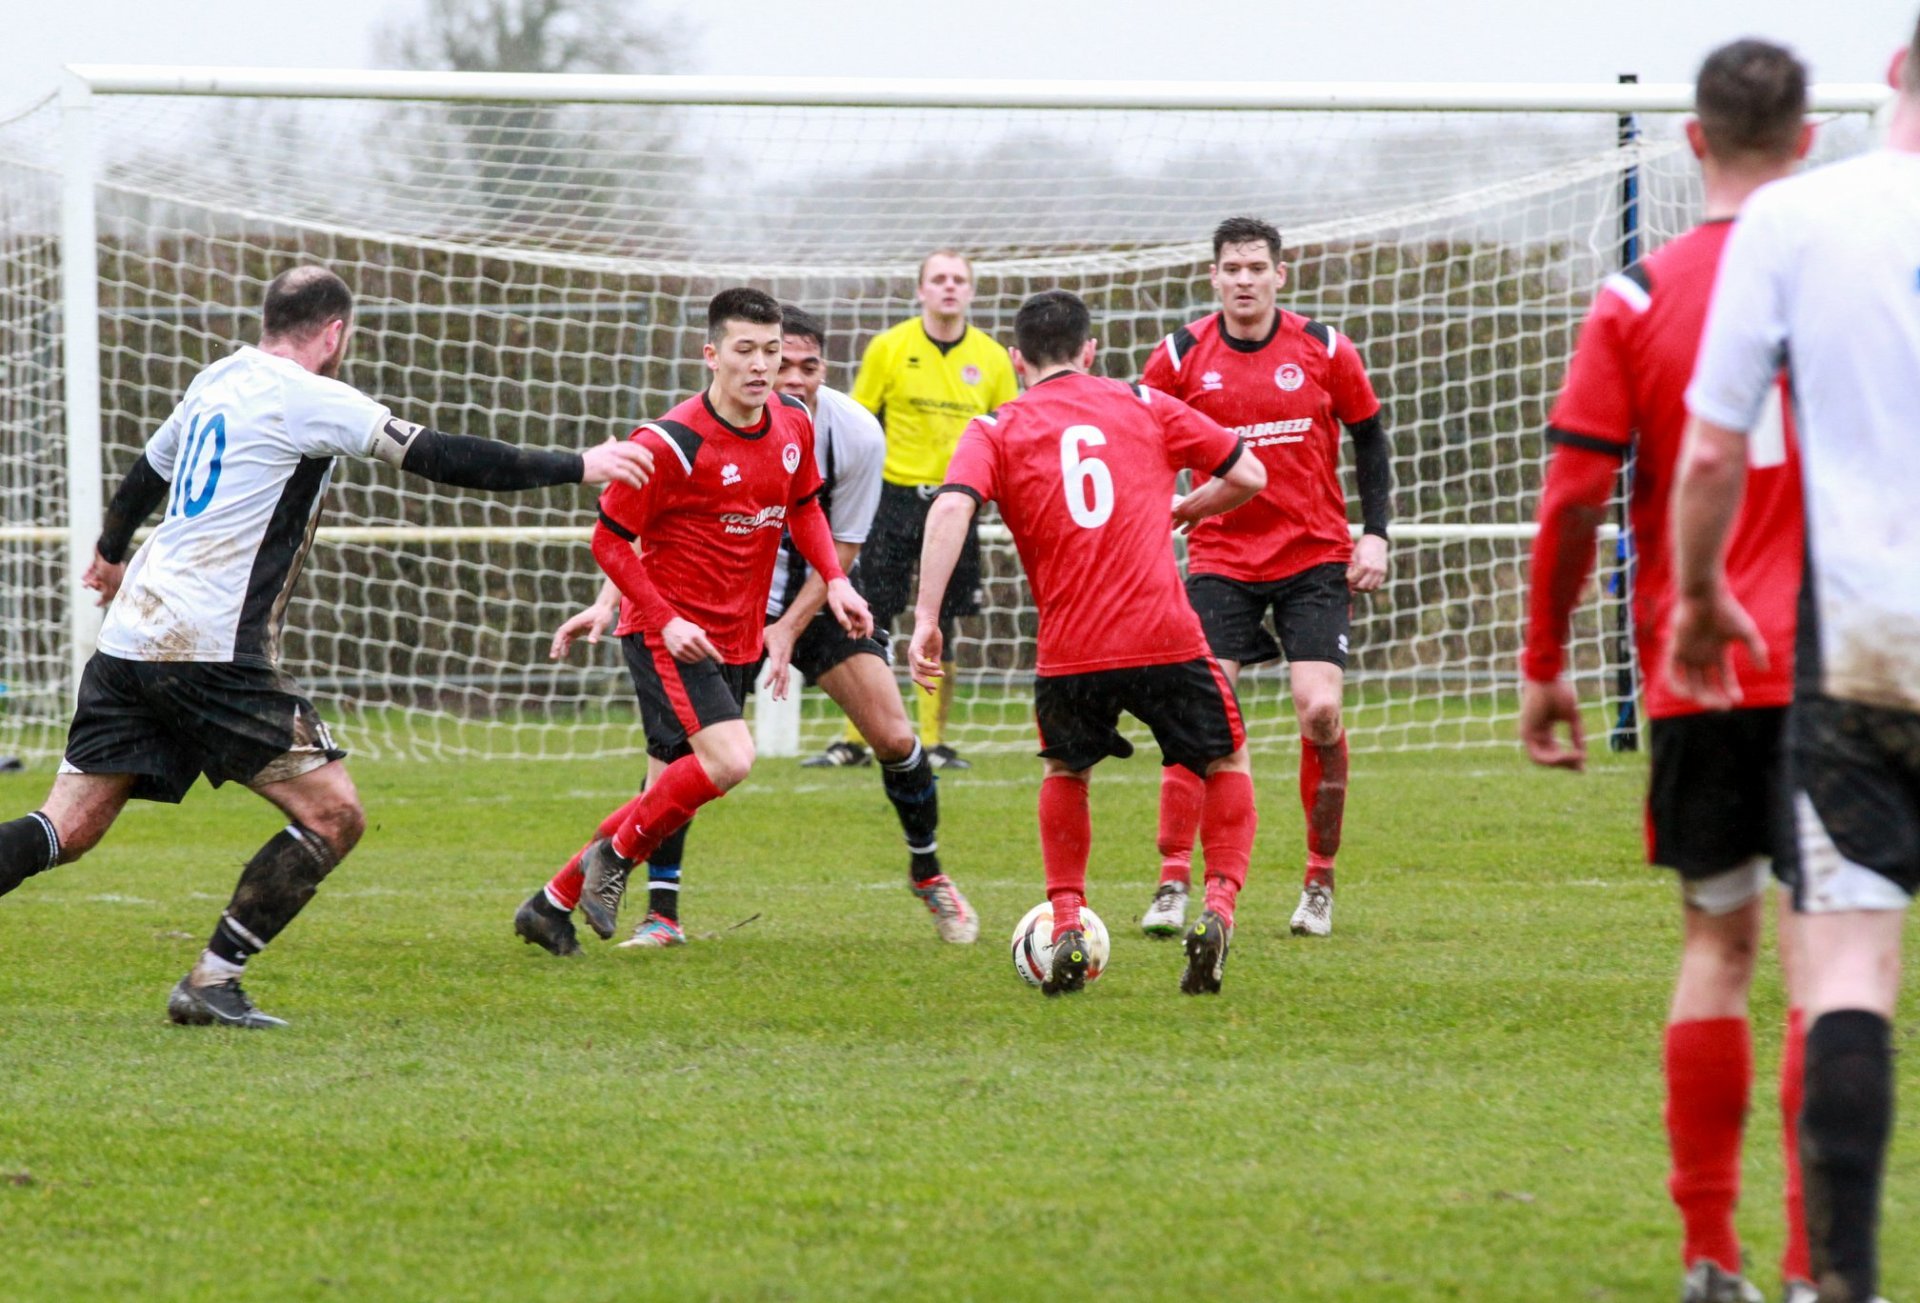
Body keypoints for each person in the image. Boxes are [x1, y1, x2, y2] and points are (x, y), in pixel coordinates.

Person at [0, 265, 654, 1027]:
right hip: (206, 651)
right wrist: (581, 465)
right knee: (334, 816)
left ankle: (210, 983)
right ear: (335, 332)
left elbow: (149, 470)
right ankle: (210, 983)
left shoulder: (217, 377)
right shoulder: (310, 395)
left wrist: (112, 549)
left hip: (130, 643)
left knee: (65, 829)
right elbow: (439, 455)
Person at [1519, 39, 1813, 1303]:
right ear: (1809, 143)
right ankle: (1817, 1265)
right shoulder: (1864, 284)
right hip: (1846, 664)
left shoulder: (1638, 300)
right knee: (1834, 962)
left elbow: (1576, 498)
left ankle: (1710, 1253)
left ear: (1692, 143)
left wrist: (1546, 662)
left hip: (1699, 672)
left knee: (1719, 943)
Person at [1670, 19, 1920, 1303]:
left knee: (1848, 966)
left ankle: (1848, 1283)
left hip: (1871, 640)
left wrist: (1700, 594)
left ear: (1892, 78)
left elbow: (1711, 453)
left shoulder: (1805, 221)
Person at [534, 305, 978, 950]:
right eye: (750, 350)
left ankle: (553, 902)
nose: (769, 367)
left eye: (780, 354)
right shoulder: (668, 441)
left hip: (767, 615)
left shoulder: (811, 426)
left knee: (871, 735)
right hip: (676, 629)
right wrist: (642, 613)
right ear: (711, 355)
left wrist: (839, 582)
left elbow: (806, 510)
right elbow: (616, 538)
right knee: (722, 761)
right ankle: (629, 879)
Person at [910, 289, 1266, 995]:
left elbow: (952, 504)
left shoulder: (995, 425)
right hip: (1165, 632)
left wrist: (926, 615)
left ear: (1016, 359)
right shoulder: (1144, 402)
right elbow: (1250, 473)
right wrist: (1192, 506)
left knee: (1068, 774)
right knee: (1227, 754)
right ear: (1090, 351)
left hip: (1070, 648)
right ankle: (1218, 906)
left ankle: (1067, 921)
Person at [1137, 215, 1393, 940]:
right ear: (1213, 276)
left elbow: (1370, 434)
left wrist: (1374, 533)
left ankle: (1318, 880)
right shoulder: (1180, 355)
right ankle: (1171, 880)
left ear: (1282, 274)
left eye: (1257, 267)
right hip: (1220, 559)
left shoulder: (1322, 347)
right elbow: (1140, 438)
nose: (1244, 279)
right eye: (1232, 267)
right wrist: (1152, 521)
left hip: (1312, 556)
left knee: (1319, 712)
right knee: (1202, 715)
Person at [803, 249, 1018, 772]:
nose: (949, 287)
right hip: (891, 499)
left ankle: (935, 740)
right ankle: (857, 738)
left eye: (958, 280)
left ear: (971, 291)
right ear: (920, 290)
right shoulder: (889, 348)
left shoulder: (990, 358)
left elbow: (1009, 431)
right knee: (868, 616)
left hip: (958, 502)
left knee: (942, 620)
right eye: (938, 279)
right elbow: (856, 422)